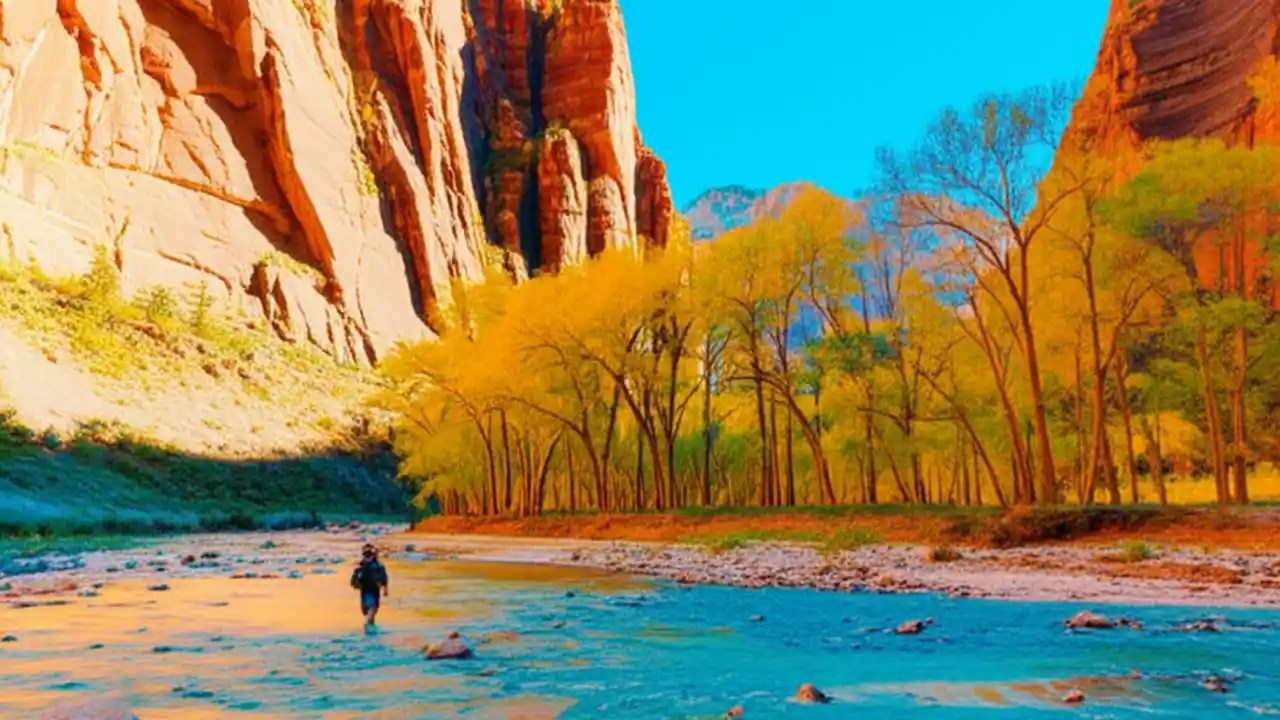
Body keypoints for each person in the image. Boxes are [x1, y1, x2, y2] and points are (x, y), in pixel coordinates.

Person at [351, 543, 388, 631]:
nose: (367, 557)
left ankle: (369, 624)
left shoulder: (377, 566)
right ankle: (369, 624)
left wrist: (385, 588)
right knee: (368, 609)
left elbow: (384, 577)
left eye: (369, 555)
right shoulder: (362, 567)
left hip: (373, 589)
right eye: (366, 555)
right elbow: (355, 578)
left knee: (372, 607)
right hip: (366, 589)